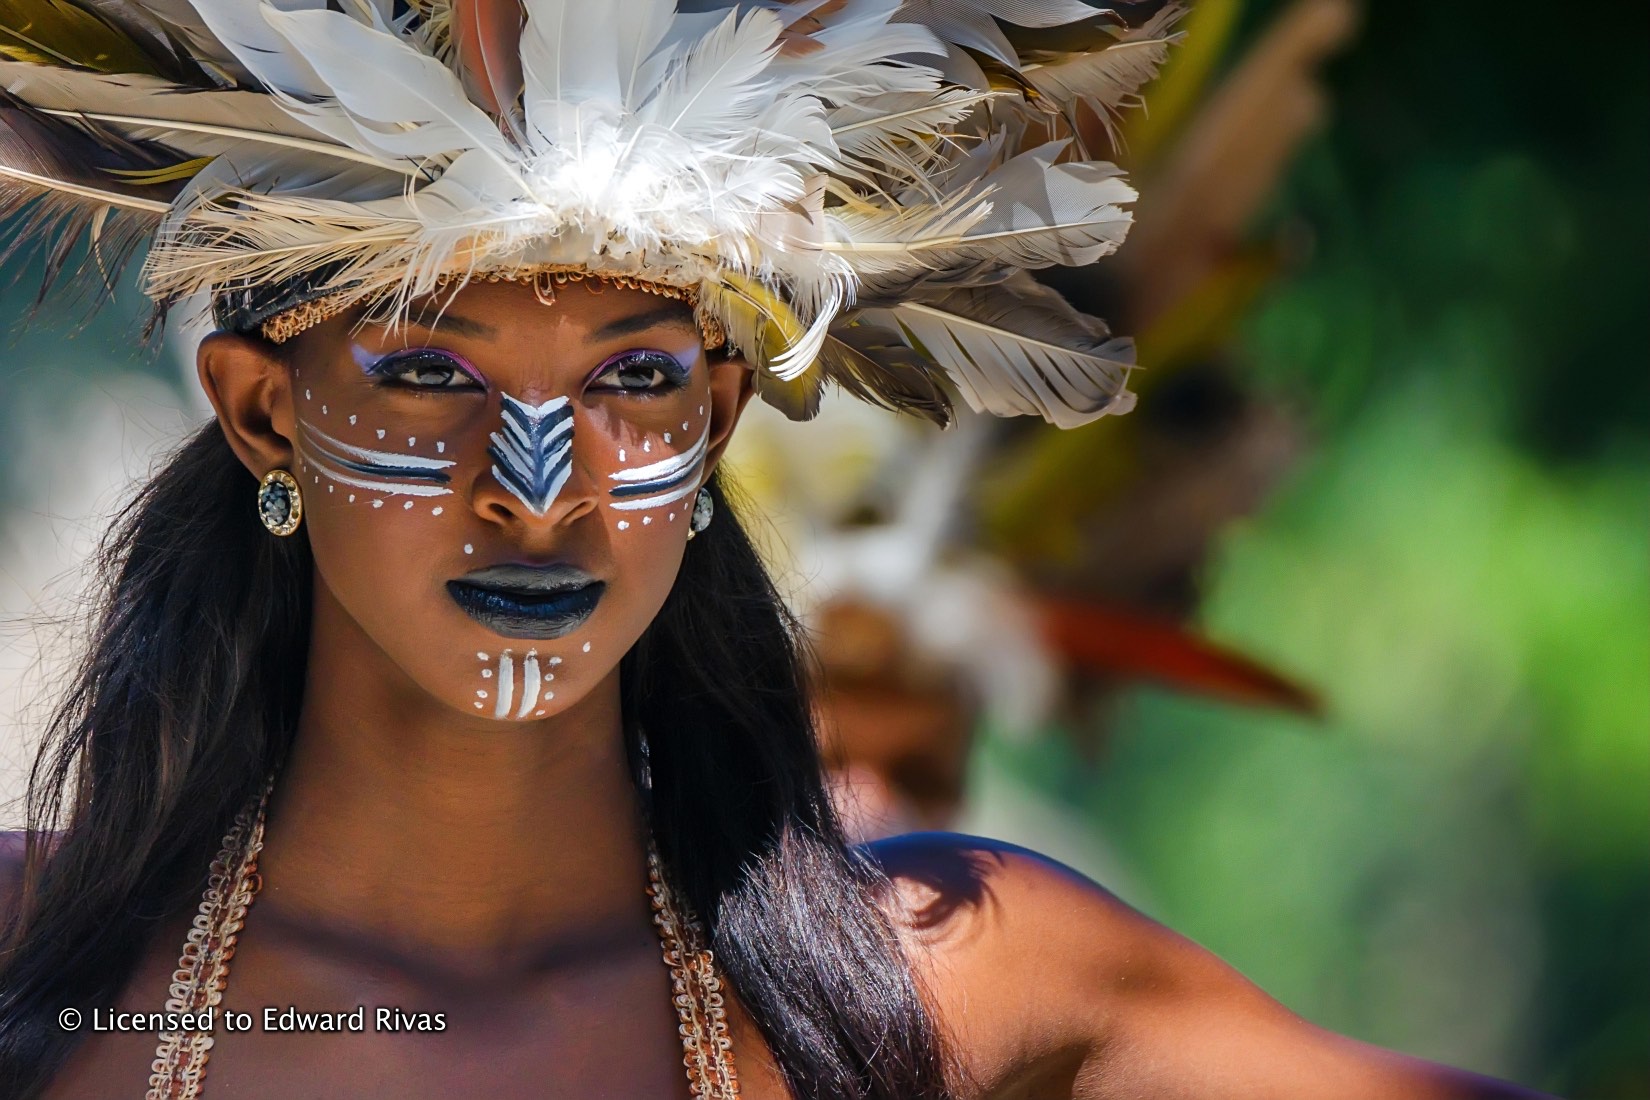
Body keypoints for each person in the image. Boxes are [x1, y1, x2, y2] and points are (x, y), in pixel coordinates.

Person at [0, 1, 1556, 1097]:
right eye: (428, 374)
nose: (537, 494)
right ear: (264, 414)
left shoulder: (950, 984)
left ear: (721, 415)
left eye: (633, 379)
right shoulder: (35, 969)